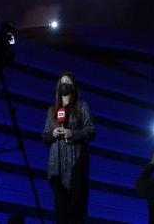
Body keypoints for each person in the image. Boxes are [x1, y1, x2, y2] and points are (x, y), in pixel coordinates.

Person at [42, 72, 95, 223]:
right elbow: (44, 137)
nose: (64, 83)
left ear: (73, 86)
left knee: (75, 207)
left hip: (76, 159)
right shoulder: (52, 111)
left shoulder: (81, 106)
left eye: (67, 81)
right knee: (61, 209)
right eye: (61, 81)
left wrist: (73, 133)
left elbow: (91, 130)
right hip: (57, 164)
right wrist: (53, 132)